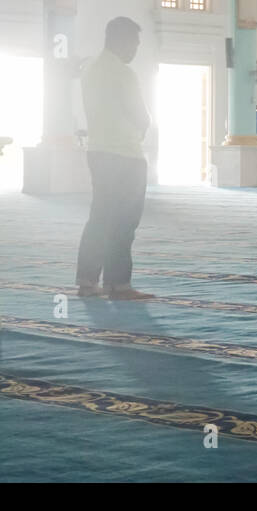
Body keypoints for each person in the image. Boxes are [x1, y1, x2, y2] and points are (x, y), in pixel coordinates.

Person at [75, 16, 153, 300]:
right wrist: (144, 127)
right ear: (122, 41)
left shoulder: (91, 69)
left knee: (99, 216)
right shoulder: (122, 72)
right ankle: (118, 284)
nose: (136, 50)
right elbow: (139, 114)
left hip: (98, 151)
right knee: (124, 220)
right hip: (126, 155)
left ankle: (87, 280)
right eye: (135, 43)